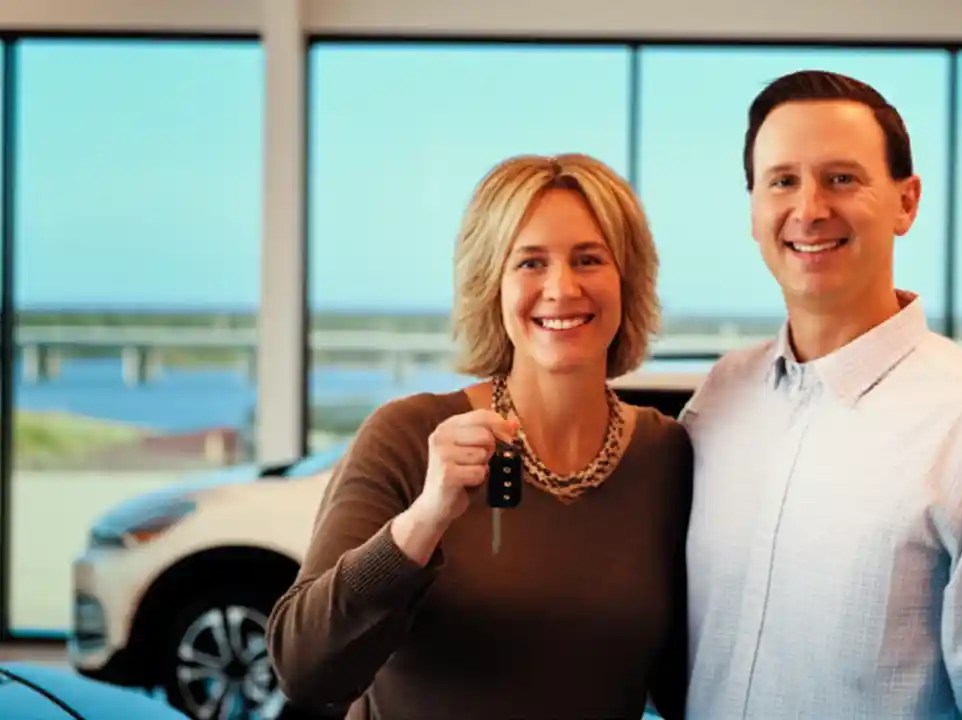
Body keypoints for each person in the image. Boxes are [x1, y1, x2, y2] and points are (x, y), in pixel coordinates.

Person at [679, 70, 962, 718]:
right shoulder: (721, 400)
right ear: (753, 210)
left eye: (841, 178)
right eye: (782, 181)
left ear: (906, 202)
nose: (810, 209)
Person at [267, 153, 692, 720]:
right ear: (490, 283)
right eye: (530, 262)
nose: (562, 287)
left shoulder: (667, 456)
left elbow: (690, 676)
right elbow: (303, 668)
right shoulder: (407, 437)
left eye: (589, 259)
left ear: (628, 280)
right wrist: (425, 520)